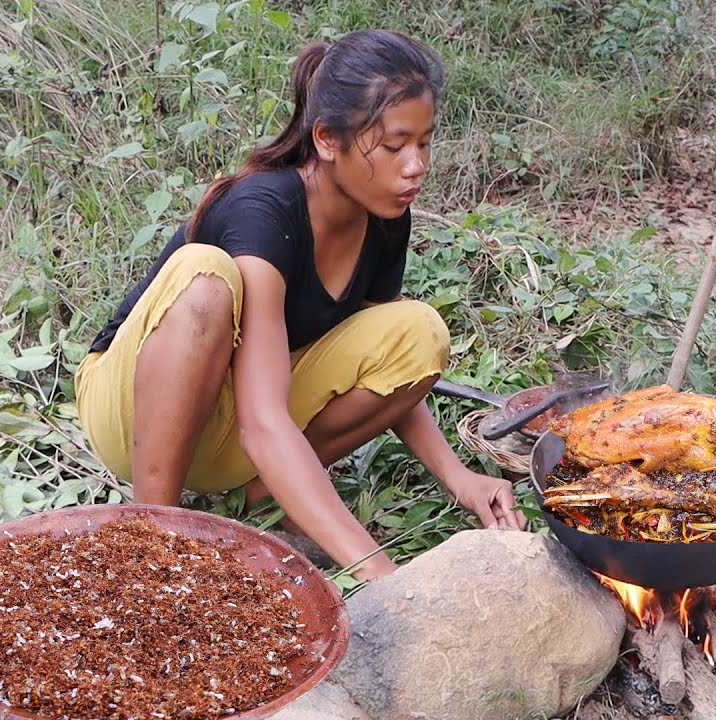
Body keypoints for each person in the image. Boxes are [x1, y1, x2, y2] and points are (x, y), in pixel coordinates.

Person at [74, 29, 525, 581]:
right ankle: (155, 536)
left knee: (417, 333)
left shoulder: (385, 216)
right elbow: (262, 421)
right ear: (328, 139)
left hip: (233, 428)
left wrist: (458, 479)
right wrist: (379, 572)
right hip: (131, 416)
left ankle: (269, 490)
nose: (415, 166)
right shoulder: (263, 209)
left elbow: (389, 367)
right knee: (205, 279)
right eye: (394, 146)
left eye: (424, 143)